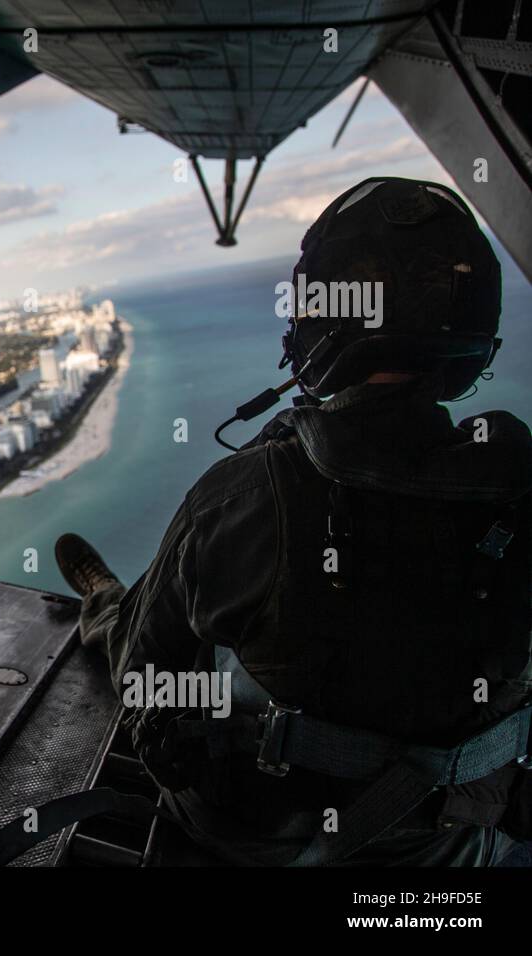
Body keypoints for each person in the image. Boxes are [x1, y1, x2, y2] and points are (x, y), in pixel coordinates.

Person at [55, 177, 532, 866]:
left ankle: (103, 597)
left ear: (323, 315)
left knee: (182, 637)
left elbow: (141, 672)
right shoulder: (519, 491)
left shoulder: (245, 493)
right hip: (447, 849)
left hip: (259, 840)